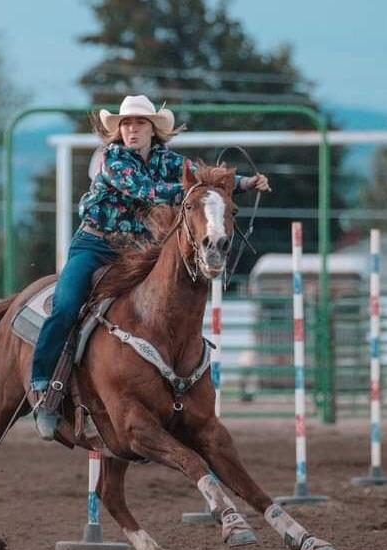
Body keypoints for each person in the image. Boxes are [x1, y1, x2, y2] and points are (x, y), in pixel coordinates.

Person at [30, 94, 271, 439]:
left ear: (152, 130)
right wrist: (195, 194)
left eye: (139, 124)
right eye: (126, 124)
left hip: (135, 250)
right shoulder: (113, 160)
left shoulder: (168, 160)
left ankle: (151, 386)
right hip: (94, 246)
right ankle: (43, 390)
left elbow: (202, 180)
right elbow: (148, 191)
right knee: (66, 306)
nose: (131, 130)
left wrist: (244, 183)